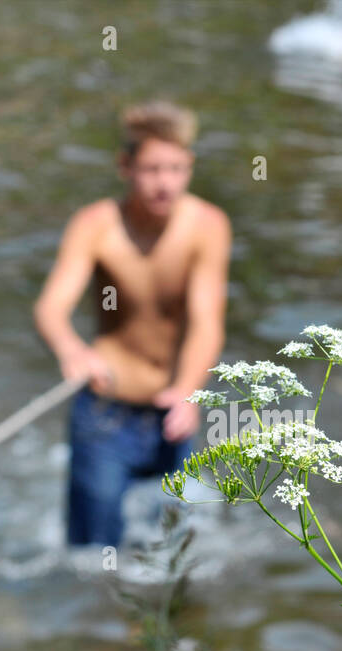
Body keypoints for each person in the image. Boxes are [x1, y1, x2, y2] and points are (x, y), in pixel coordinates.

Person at [34, 102, 231, 548]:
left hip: (173, 414)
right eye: (153, 169)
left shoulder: (208, 226)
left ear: (191, 166)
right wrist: (71, 350)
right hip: (105, 412)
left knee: (181, 553)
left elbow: (207, 323)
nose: (166, 184)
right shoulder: (95, 225)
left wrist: (188, 389)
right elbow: (51, 307)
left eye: (177, 169)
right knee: (91, 556)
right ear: (125, 167)